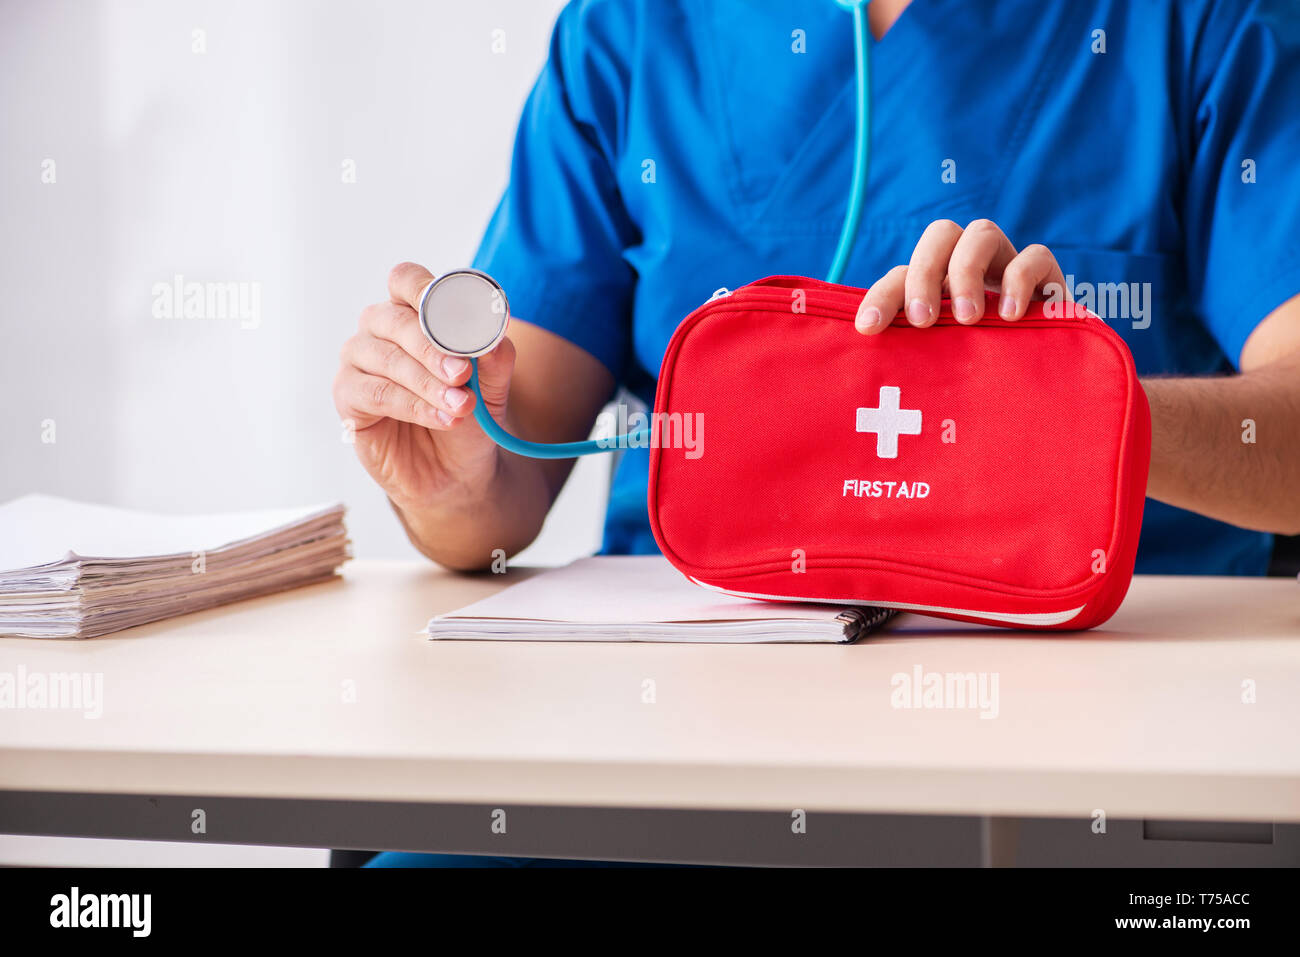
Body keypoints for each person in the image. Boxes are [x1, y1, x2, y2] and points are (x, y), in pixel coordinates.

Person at [332, 0, 1300, 866]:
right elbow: (503, 484)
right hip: (666, 741)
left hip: (1087, 748)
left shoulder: (1201, 23)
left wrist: (1068, 407)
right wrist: (452, 480)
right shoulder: (631, 33)